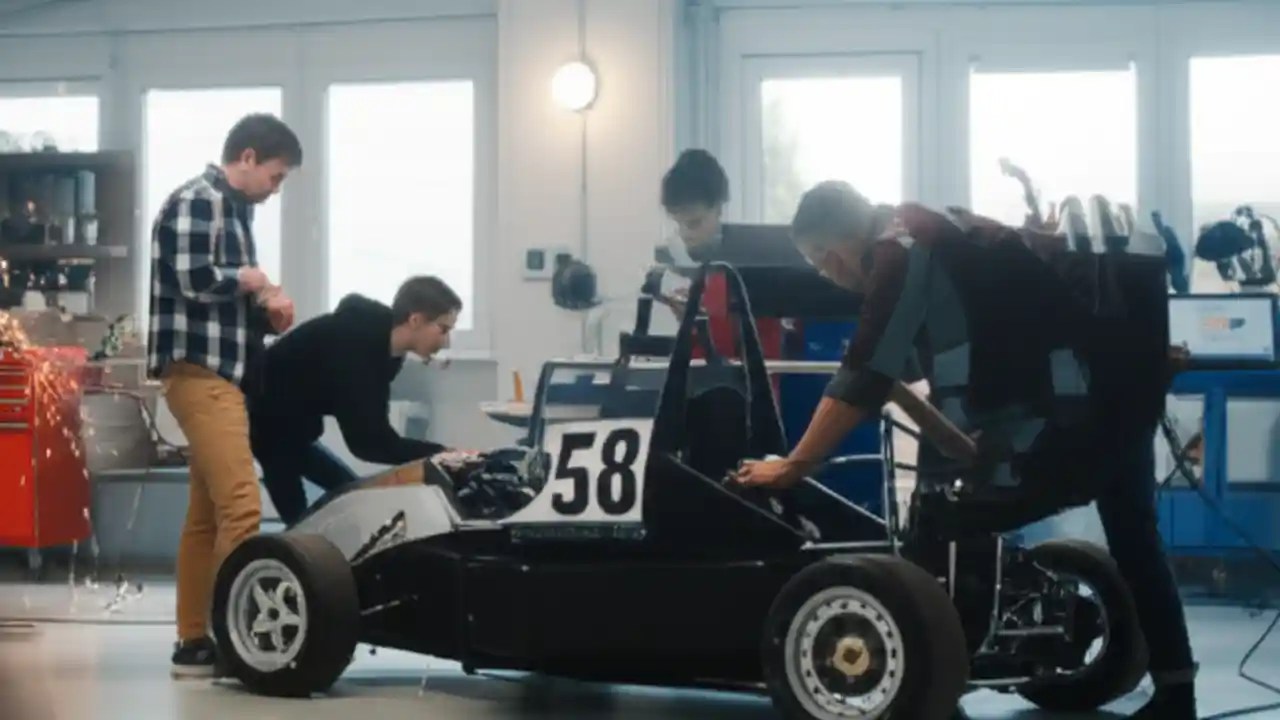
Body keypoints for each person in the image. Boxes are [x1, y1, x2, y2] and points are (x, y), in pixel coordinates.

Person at [734, 181, 1199, 720]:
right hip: (1116, 404)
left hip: (1058, 428)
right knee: (1136, 541)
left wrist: (793, 466)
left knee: (938, 518)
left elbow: (863, 375)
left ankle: (931, 683)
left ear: (833, 250)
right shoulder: (946, 226)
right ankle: (1176, 689)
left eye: (819, 260)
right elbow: (906, 367)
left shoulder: (900, 252)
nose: (825, 273)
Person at [147, 113, 300, 678]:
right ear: (249, 158)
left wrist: (265, 309)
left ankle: (194, 642)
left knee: (207, 516)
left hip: (220, 375)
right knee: (243, 505)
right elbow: (192, 278)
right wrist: (252, 282)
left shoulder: (231, 211)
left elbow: (216, 290)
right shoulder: (199, 200)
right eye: (276, 177)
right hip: (201, 375)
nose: (275, 189)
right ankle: (238, 638)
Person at [248, 275, 460, 526]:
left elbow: (372, 433)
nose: (446, 341)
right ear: (415, 320)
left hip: (295, 428)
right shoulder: (358, 346)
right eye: (443, 329)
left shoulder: (388, 351)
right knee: (303, 526)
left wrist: (440, 455)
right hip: (269, 425)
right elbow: (368, 442)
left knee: (351, 498)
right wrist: (441, 454)